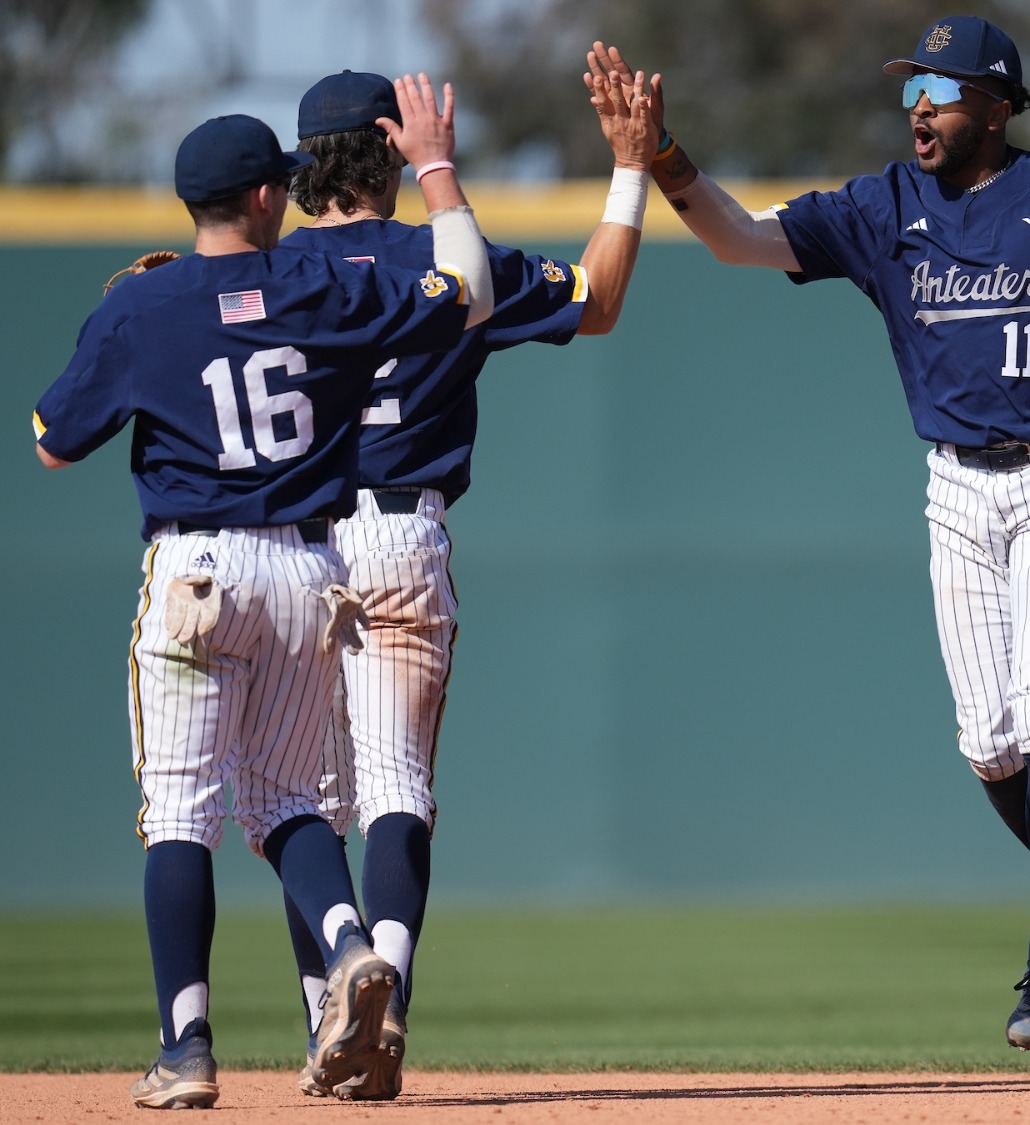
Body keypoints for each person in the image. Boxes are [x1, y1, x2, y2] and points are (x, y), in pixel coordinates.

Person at [588, 16, 1030, 1054]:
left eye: (943, 89)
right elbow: (738, 238)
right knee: (988, 745)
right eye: (912, 87)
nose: (918, 104)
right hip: (955, 489)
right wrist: (662, 159)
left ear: (995, 108)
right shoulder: (882, 207)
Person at [31, 82, 496, 1110]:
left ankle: (186, 1049)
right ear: (258, 195)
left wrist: (136, 341)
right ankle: (345, 952)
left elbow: (53, 444)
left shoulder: (140, 304)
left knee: (179, 816)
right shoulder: (313, 290)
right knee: (292, 802)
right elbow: (465, 290)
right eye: (278, 186)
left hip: (196, 572)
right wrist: (437, 173)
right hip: (304, 575)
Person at [261, 68, 657, 1101]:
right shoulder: (456, 258)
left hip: (289, 551)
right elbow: (599, 303)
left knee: (304, 802)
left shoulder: (260, 271)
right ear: (395, 153)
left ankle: (330, 1014)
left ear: (303, 167)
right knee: (396, 794)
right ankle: (382, 994)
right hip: (402, 540)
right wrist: (626, 168)